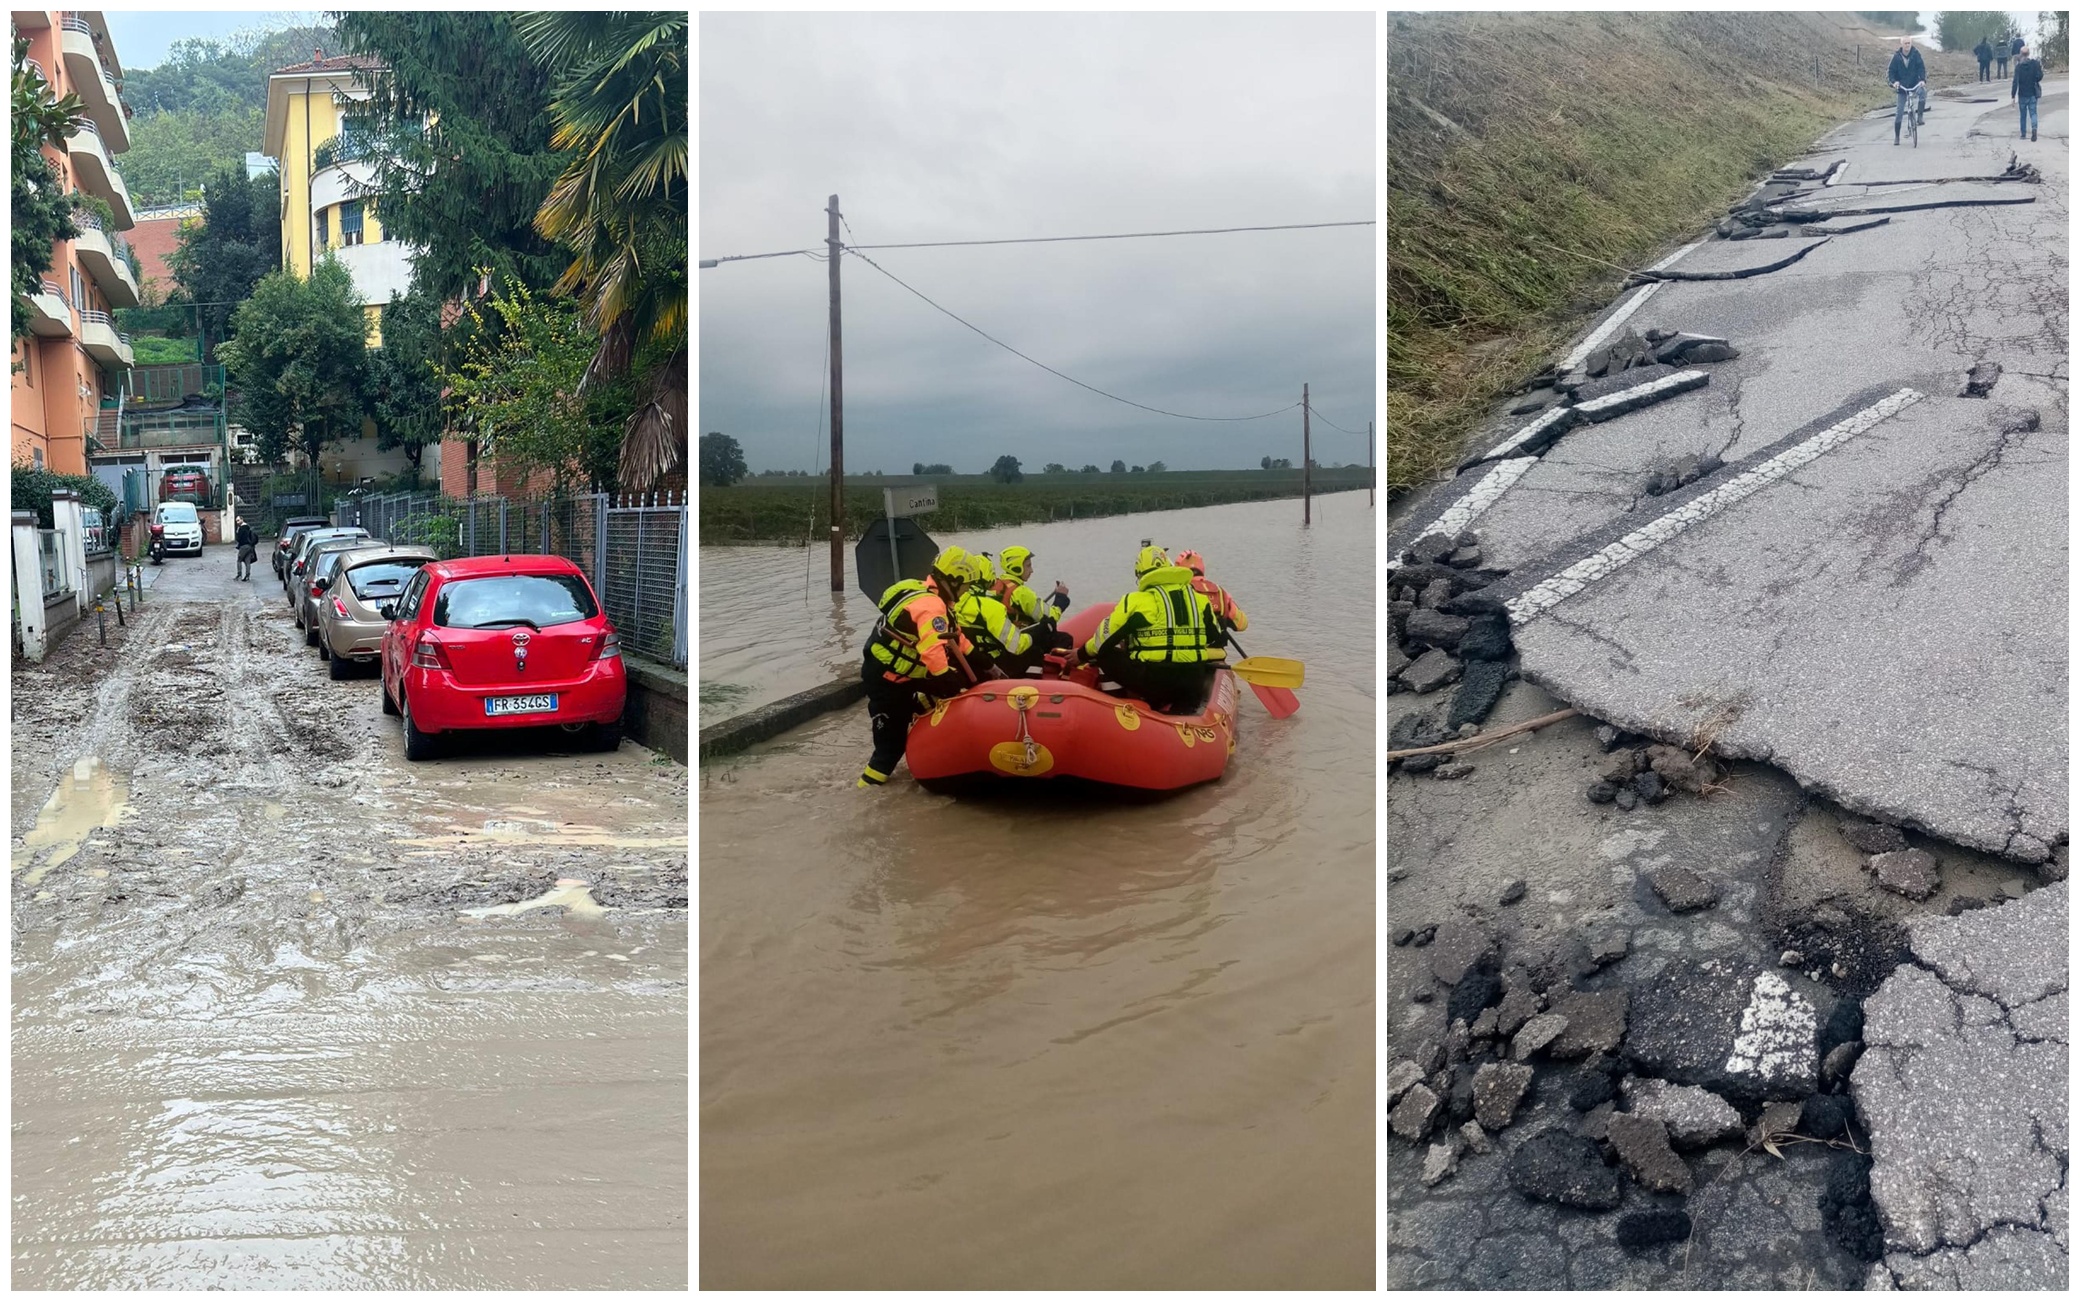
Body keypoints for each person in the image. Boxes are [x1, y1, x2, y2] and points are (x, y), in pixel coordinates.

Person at [858, 546, 975, 788]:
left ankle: (915, 708)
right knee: (889, 751)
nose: (967, 591)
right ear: (954, 581)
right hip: (885, 680)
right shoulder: (931, 606)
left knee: (951, 687)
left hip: (906, 676)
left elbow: (954, 638)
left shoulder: (932, 595)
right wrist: (945, 677)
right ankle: (866, 795)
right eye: (966, 585)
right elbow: (933, 650)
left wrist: (983, 661)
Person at [1073, 544, 1225, 715]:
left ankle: (1118, 707)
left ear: (1140, 573)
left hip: (1156, 682)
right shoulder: (1199, 600)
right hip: (1193, 682)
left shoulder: (1136, 600)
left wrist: (1080, 654)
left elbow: (1103, 639)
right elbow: (1216, 639)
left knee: (1105, 654)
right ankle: (1185, 708)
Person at [952, 555, 1040, 678]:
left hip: (968, 664)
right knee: (1035, 651)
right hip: (993, 665)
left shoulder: (949, 604)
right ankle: (1031, 690)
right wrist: (1035, 634)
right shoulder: (991, 607)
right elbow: (1017, 646)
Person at [990, 546, 1074, 651]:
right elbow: (1051, 617)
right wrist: (1061, 598)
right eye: (1028, 566)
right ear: (1017, 567)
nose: (1032, 570)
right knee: (1065, 639)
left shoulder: (997, 584)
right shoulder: (1021, 593)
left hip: (1002, 638)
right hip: (1019, 638)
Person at [1171, 550, 1249, 642]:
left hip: (1191, 652)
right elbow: (1242, 624)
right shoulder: (1220, 591)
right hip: (1218, 652)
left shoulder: (1178, 592)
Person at [1887, 35, 1927, 146]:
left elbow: (1921, 68)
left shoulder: (1916, 54)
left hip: (1914, 84)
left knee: (1923, 92)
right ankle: (1897, 137)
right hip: (1902, 87)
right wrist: (1894, 82)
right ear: (1901, 44)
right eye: (1905, 43)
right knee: (1899, 112)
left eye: (1909, 43)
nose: (1907, 45)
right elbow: (1890, 72)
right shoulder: (1896, 57)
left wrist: (1922, 80)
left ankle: (1919, 117)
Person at [2014, 44, 2043, 140]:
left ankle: (2023, 134)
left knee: (2023, 115)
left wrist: (2012, 96)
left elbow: (2015, 82)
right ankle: (2034, 129)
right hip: (2032, 93)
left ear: (2021, 54)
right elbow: (2040, 76)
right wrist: (2035, 80)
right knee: (2033, 113)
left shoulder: (2018, 67)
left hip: (2022, 94)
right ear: (2029, 53)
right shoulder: (2035, 64)